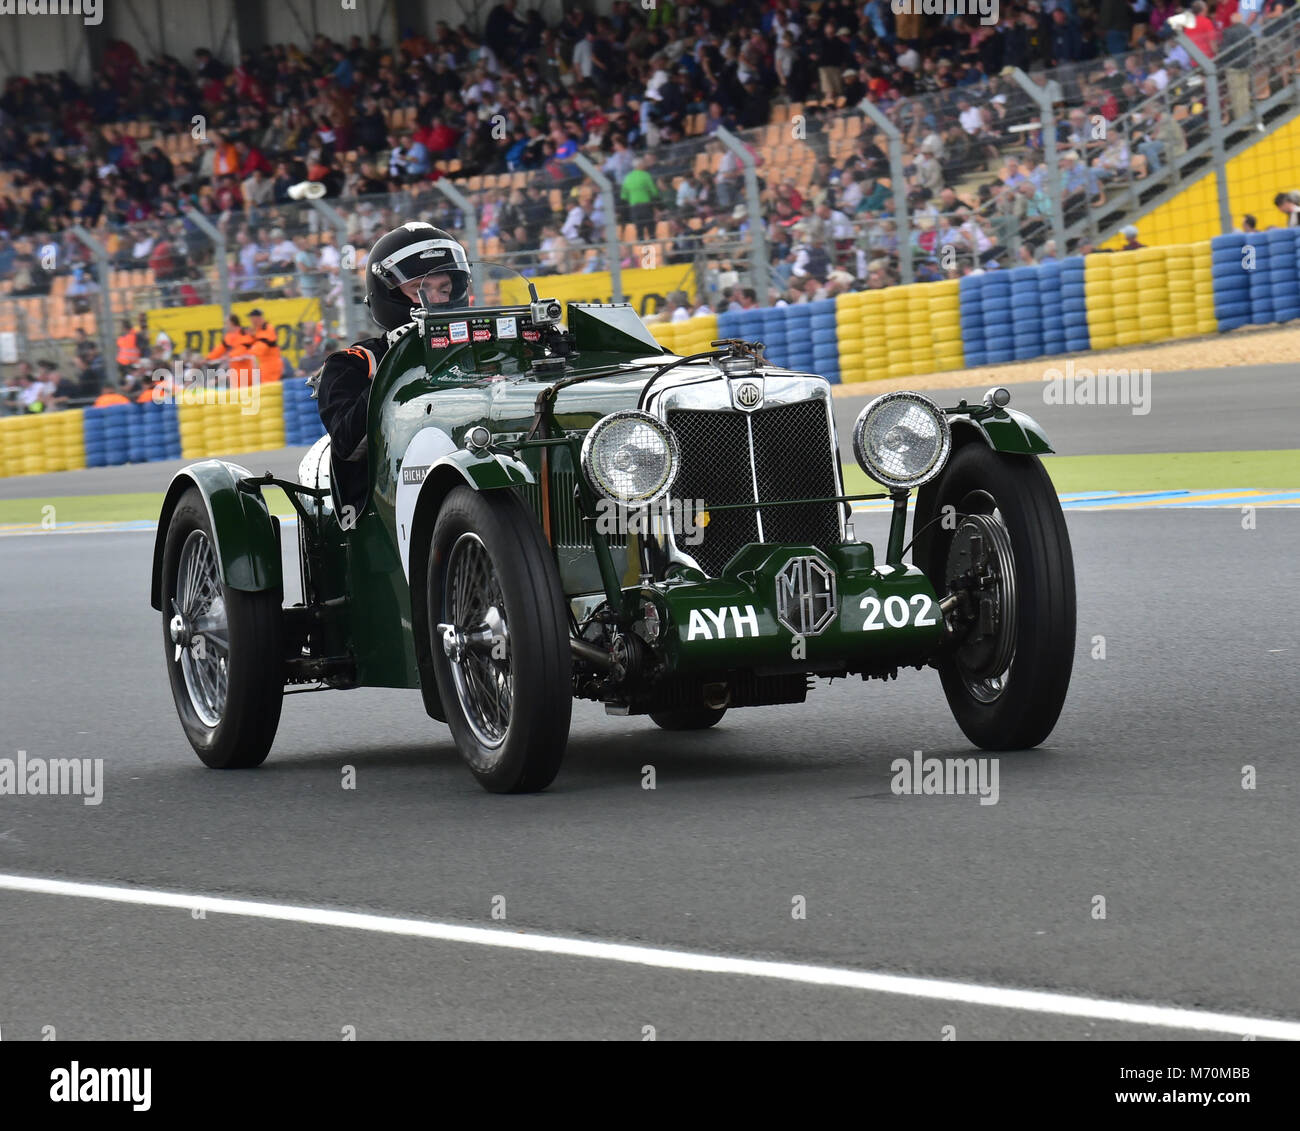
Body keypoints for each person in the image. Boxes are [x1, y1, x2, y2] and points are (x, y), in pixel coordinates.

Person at [316, 223, 471, 523]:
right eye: (420, 289)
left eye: (444, 289)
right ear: (388, 294)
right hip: (382, 511)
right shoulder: (355, 362)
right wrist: (401, 360)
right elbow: (348, 445)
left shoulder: (483, 347)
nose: (436, 299)